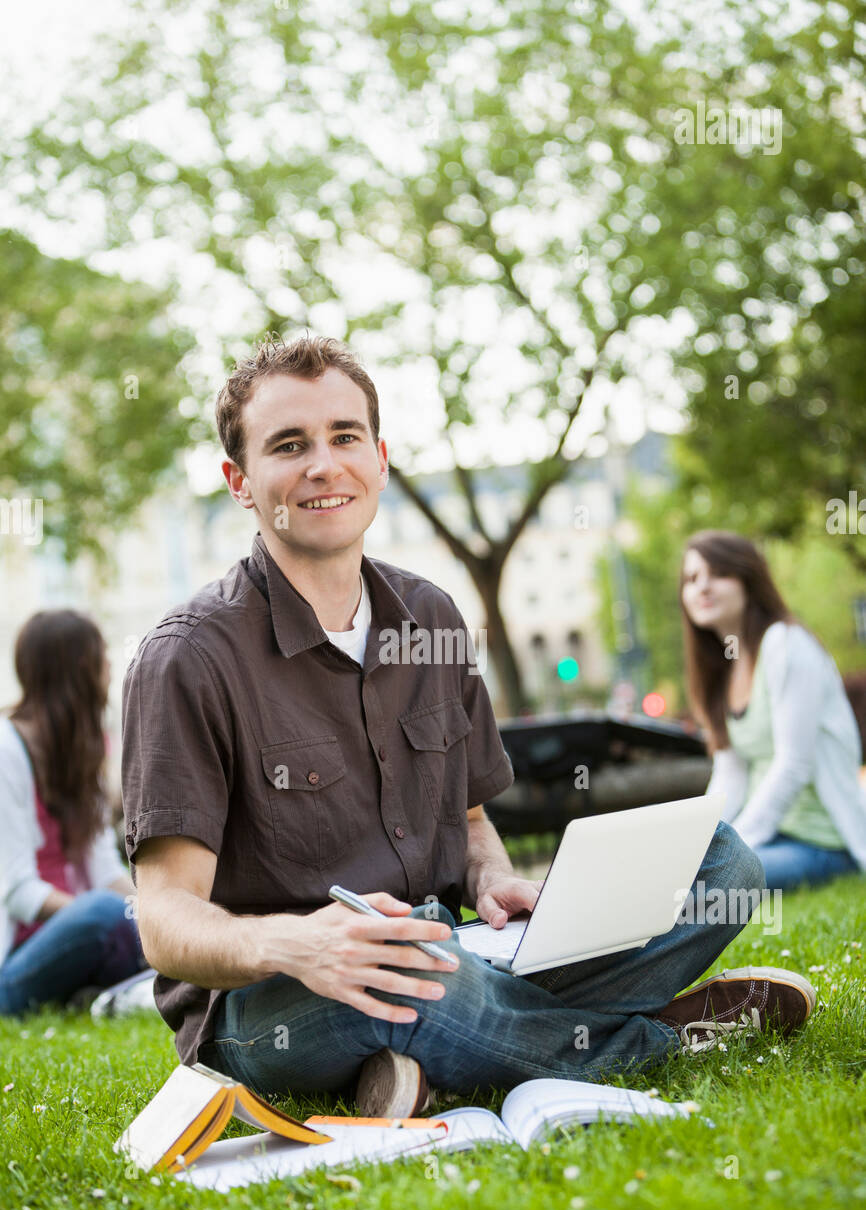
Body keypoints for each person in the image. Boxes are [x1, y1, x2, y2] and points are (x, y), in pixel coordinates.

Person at [121, 335, 815, 1117]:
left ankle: (433, 1062)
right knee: (414, 973)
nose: (324, 464)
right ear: (240, 482)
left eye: (345, 436)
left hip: (454, 953)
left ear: (379, 458)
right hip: (276, 1003)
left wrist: (491, 881)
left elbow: (470, 819)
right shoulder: (186, 659)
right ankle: (654, 1035)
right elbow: (166, 920)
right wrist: (299, 942)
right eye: (289, 445)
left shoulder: (431, 617)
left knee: (724, 864)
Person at [680, 530, 866, 892]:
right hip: (770, 838)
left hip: (823, 843)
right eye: (691, 579)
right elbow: (730, 774)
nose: (702, 587)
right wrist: (695, 843)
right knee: (681, 872)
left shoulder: (786, 644)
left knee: (705, 885)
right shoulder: (723, 668)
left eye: (717, 573)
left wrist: (735, 851)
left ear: (748, 578)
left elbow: (793, 765)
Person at [0, 611, 148, 1014]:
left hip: (88, 934)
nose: (109, 667)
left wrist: (154, 911)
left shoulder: (86, 748)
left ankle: (100, 993)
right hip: (15, 963)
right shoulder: (6, 749)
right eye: (101, 656)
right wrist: (115, 916)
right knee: (103, 911)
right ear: (78, 668)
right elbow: (18, 893)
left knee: (143, 914)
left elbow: (104, 868)